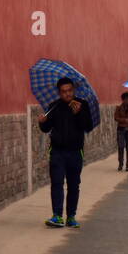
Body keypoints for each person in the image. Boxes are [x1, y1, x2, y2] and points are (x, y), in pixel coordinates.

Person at [39, 77, 94, 228]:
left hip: (75, 152)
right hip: (57, 151)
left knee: (73, 185)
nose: (67, 94)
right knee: (56, 183)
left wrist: (78, 113)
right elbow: (46, 128)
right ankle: (57, 215)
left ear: (73, 90)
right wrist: (42, 122)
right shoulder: (54, 106)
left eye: (69, 91)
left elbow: (88, 126)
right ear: (59, 93)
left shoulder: (82, 105)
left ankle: (71, 216)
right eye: (64, 92)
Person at [114, 91, 128, 171]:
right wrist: (124, 120)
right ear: (122, 100)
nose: (126, 101)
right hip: (121, 129)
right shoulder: (118, 108)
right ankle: (120, 164)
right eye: (125, 99)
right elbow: (116, 118)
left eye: (127, 99)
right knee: (121, 147)